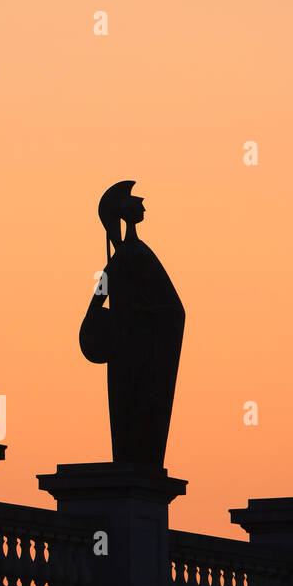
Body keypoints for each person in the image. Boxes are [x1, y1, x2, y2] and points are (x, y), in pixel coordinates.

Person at [80, 181, 186, 469]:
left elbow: (172, 309)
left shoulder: (133, 253)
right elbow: (101, 293)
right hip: (131, 347)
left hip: (138, 344)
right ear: (126, 212)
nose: (144, 206)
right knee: (132, 408)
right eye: (138, 202)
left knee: (137, 411)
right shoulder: (131, 255)